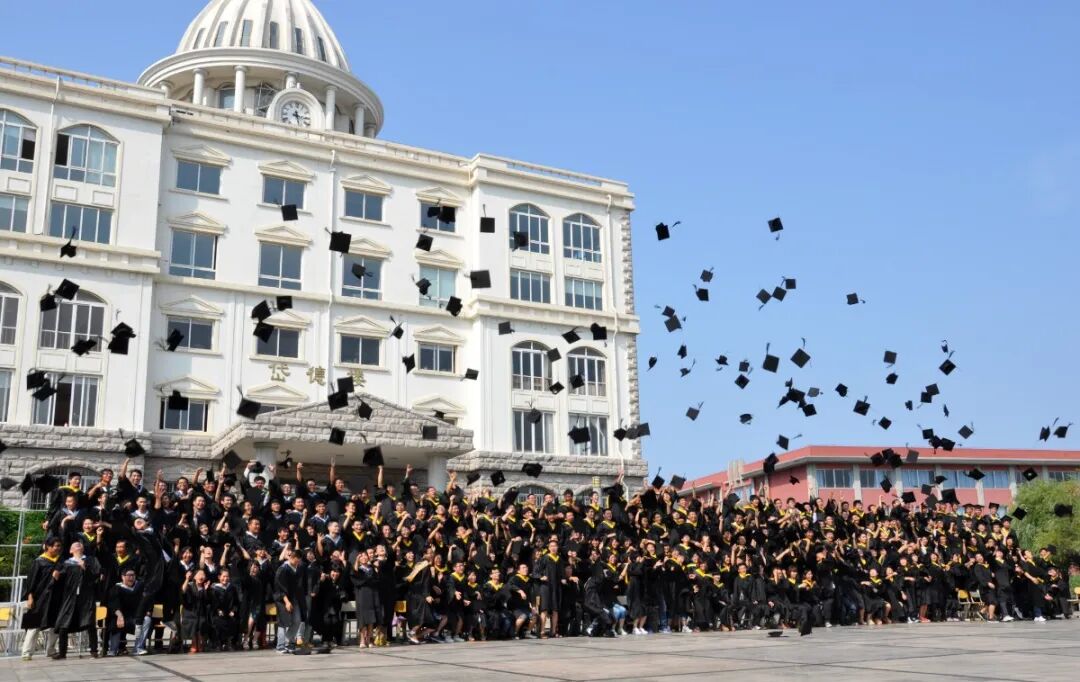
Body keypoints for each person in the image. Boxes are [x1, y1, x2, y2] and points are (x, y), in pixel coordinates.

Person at [20, 538, 63, 660]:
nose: (58, 548)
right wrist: (30, 597)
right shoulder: (39, 562)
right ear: (47, 547)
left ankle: (51, 650)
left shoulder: (60, 562)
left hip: (55, 598)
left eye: (59, 546)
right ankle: (26, 653)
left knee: (55, 625)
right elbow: (31, 581)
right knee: (34, 625)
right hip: (40, 598)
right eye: (56, 546)